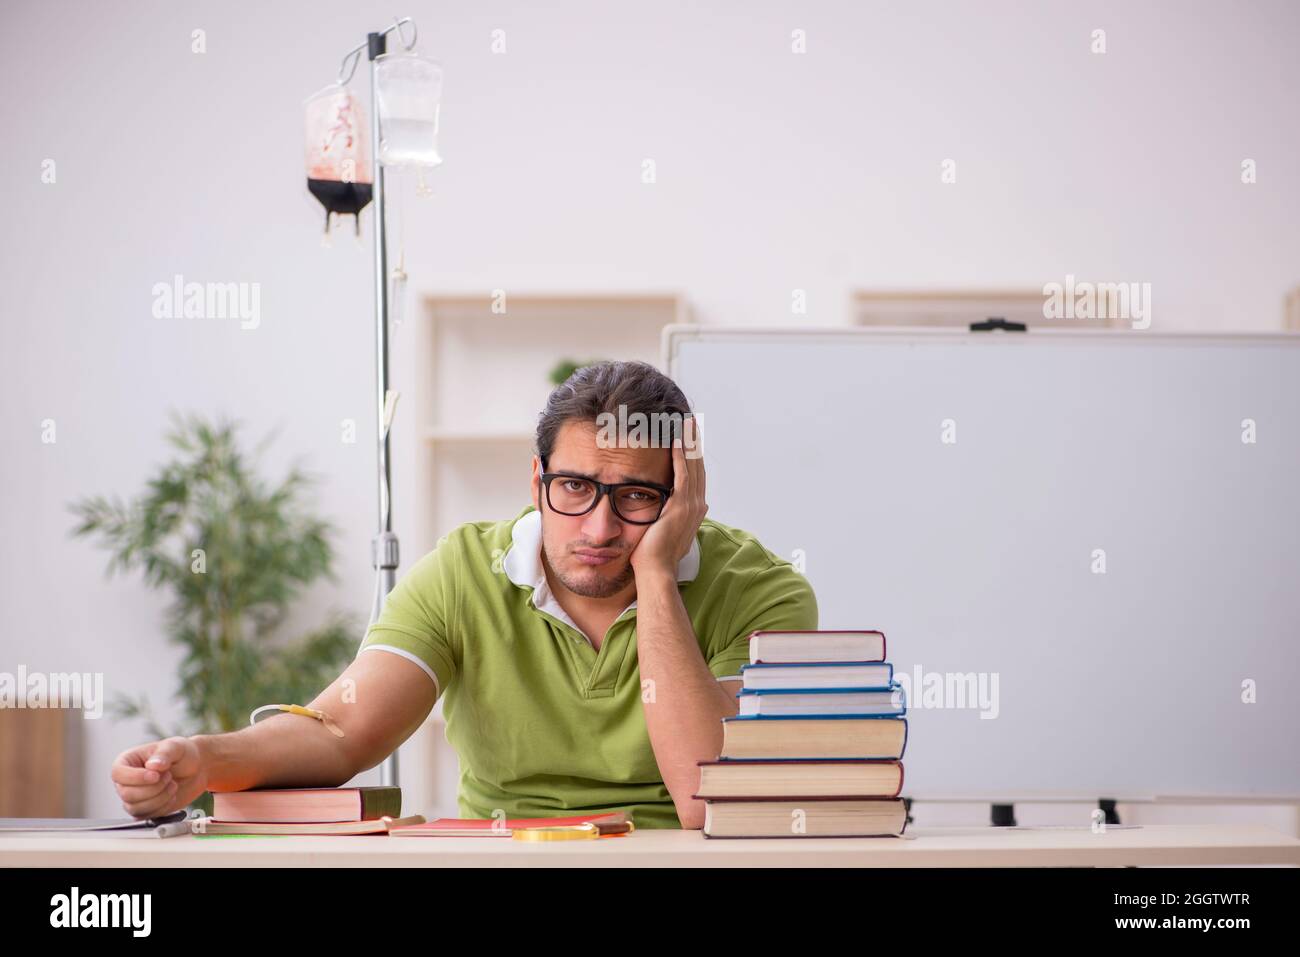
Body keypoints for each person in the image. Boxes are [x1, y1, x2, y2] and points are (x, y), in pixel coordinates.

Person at [111, 360, 817, 829]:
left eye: (636, 496)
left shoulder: (763, 592)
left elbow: (705, 795)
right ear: (537, 480)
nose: (599, 527)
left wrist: (659, 575)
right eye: (575, 488)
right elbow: (338, 731)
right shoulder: (461, 572)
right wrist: (203, 758)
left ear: (682, 497)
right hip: (499, 859)